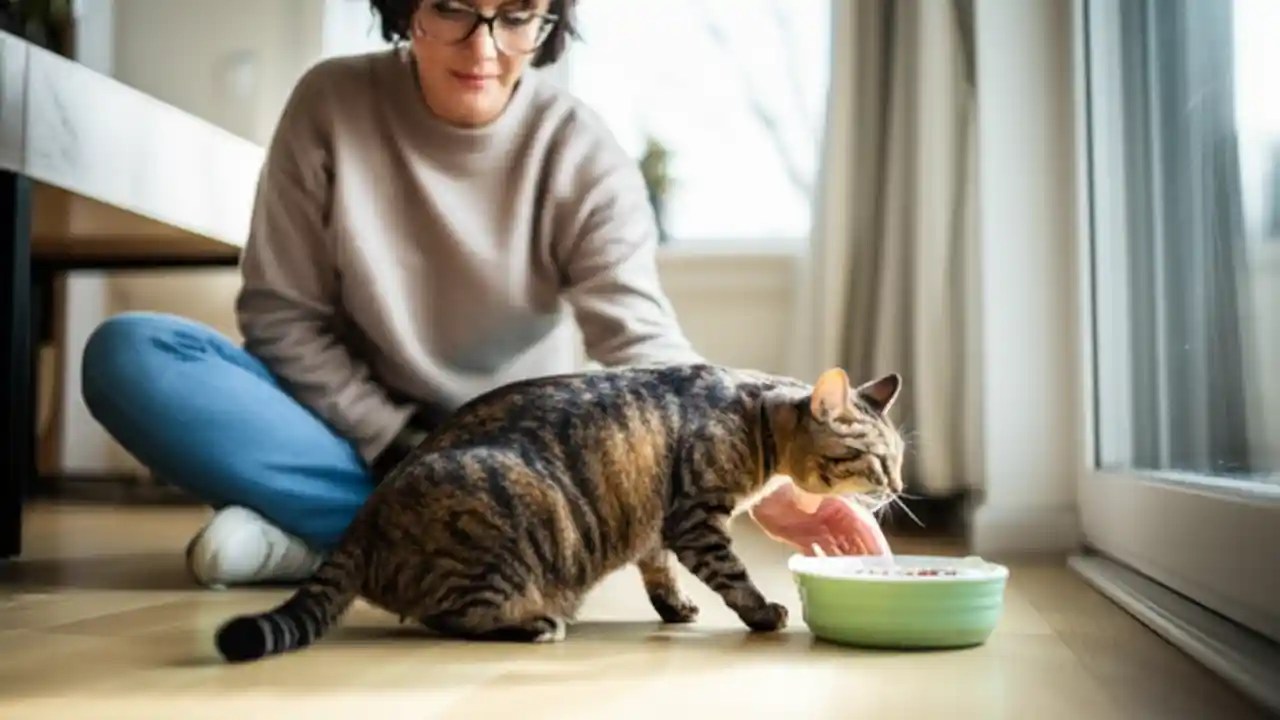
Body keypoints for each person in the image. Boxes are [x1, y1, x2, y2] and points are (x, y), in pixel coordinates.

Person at [80, 0, 889, 589]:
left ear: (549, 21)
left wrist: (769, 479)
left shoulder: (579, 149)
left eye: (517, 16)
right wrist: (394, 443)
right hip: (348, 436)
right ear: (404, 10)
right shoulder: (329, 105)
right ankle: (391, 543)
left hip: (517, 463)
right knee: (133, 354)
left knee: (592, 483)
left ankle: (342, 543)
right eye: (453, 11)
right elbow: (280, 317)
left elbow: (646, 351)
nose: (486, 47)